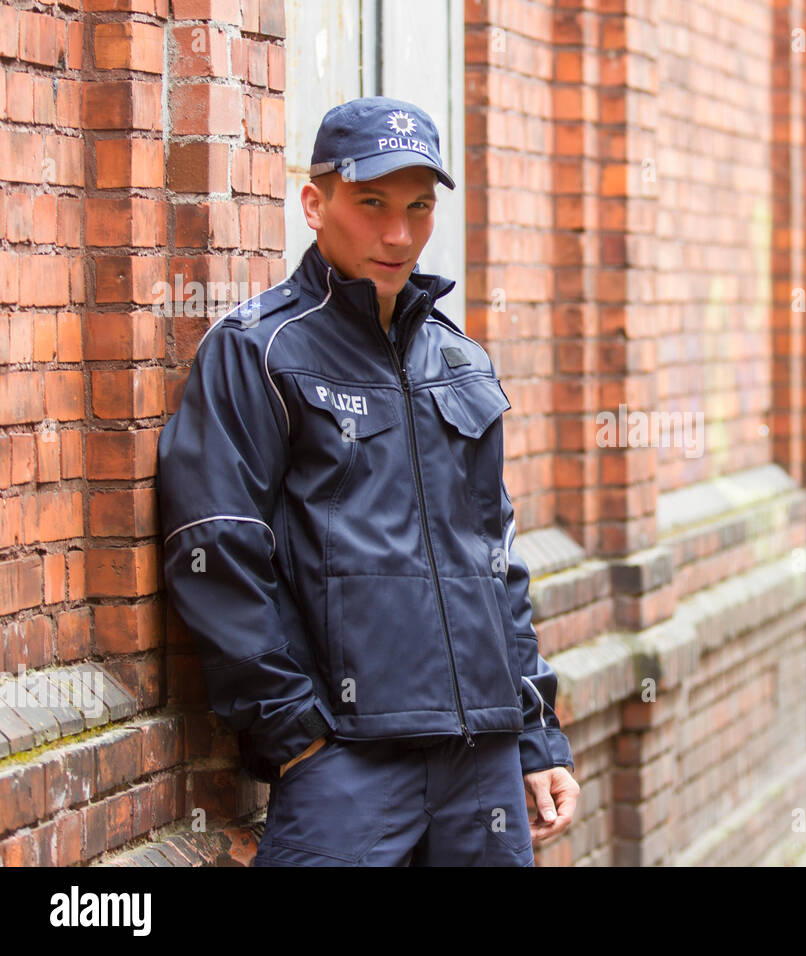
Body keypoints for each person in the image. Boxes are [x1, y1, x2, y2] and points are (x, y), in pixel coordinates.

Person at [156, 96, 579, 866]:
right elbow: (214, 548)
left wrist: (535, 734)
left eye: (419, 207)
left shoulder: (460, 363)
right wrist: (294, 734)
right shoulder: (260, 351)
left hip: (481, 764)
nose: (398, 233)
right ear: (315, 203)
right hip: (346, 766)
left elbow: (497, 564)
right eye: (372, 202)